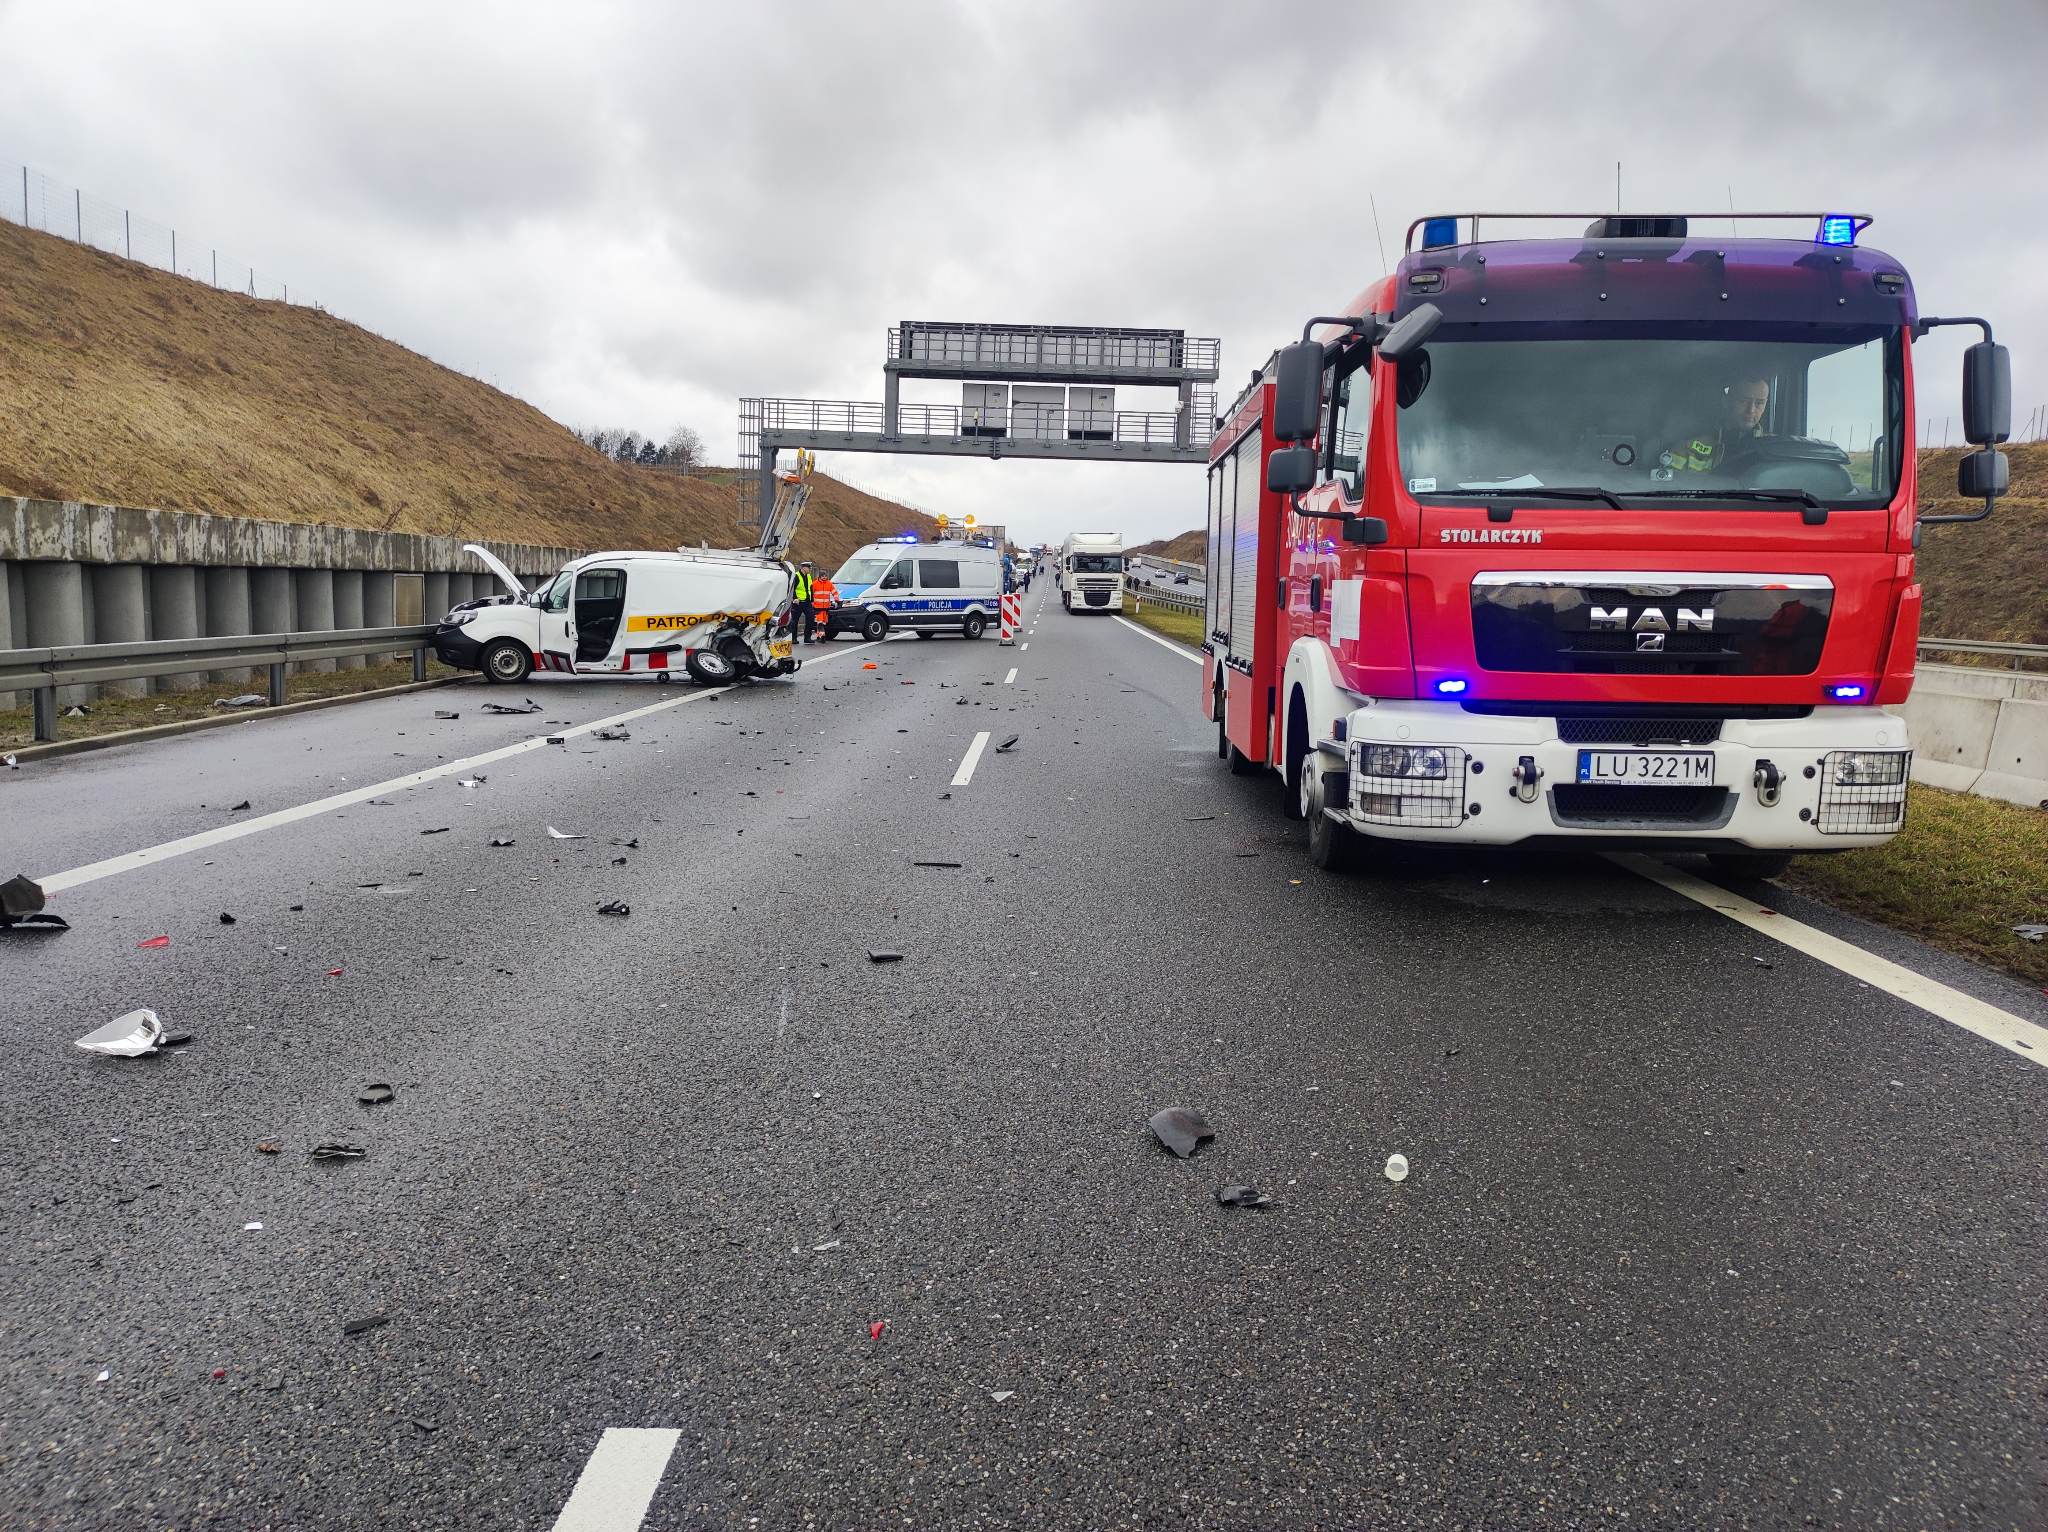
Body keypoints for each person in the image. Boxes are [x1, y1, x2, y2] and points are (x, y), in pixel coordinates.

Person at [1656, 373, 1770, 478]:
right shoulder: (1687, 450)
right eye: (1743, 401)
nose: (1751, 410)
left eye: (1759, 403)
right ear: (1726, 402)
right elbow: (1667, 489)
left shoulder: (1774, 448)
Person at [809, 570, 837, 642]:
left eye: (825, 576)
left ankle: (819, 636)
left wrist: (836, 598)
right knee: (820, 622)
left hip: (826, 607)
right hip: (817, 607)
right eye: (823, 576)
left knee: (823, 622)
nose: (824, 577)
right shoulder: (814, 584)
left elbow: (834, 592)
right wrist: (811, 602)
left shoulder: (829, 583)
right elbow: (810, 593)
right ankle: (823, 636)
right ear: (819, 576)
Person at [791, 562, 815, 644]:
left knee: (811, 618)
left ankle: (807, 638)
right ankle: (793, 638)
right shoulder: (796, 576)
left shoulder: (809, 576)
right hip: (798, 602)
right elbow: (792, 588)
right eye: (808, 567)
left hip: (807, 602)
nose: (810, 569)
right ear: (803, 568)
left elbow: (810, 589)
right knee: (794, 620)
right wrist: (795, 598)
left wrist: (812, 600)